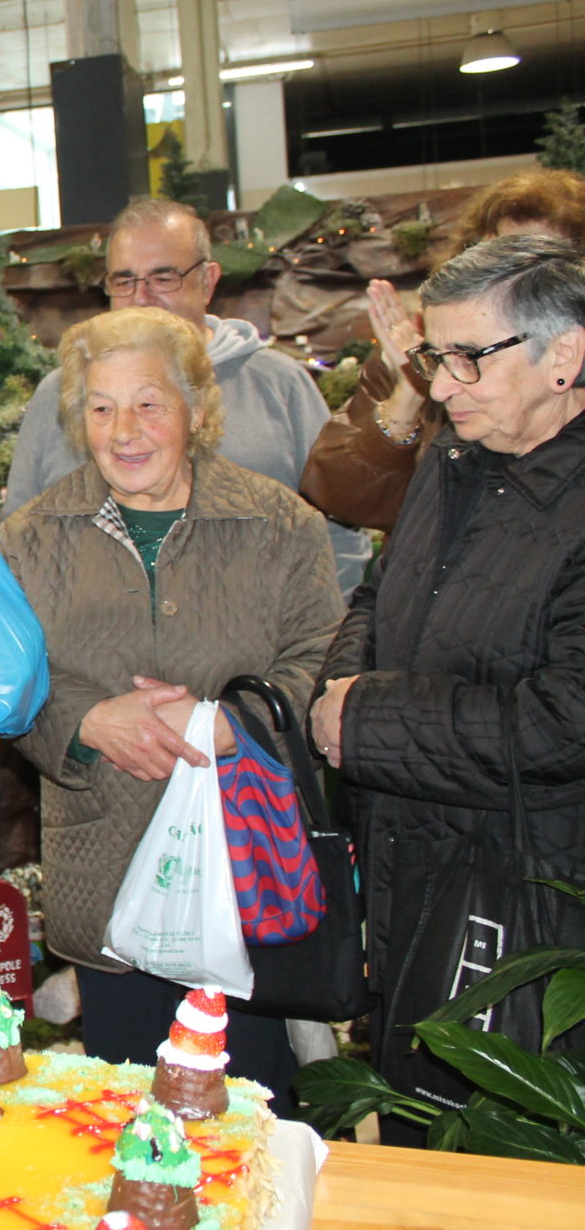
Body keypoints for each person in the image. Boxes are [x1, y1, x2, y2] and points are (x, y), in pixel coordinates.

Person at [0, 307, 343, 1111]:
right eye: (101, 406)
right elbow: (5, 684)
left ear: (197, 406)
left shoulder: (280, 523)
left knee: (252, 1113)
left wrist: (235, 723)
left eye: (149, 403)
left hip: (246, 877)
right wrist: (84, 722)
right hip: (105, 876)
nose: (125, 430)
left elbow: (322, 657)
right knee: (132, 1124)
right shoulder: (31, 536)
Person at [310, 237, 585, 1133]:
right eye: (436, 356)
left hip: (530, 917)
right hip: (410, 869)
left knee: (492, 1171)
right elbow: (382, 591)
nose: (443, 382)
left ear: (564, 357)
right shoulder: (453, 455)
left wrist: (369, 718)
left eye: (470, 357)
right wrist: (341, 684)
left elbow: (561, 722)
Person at [3, 198, 371, 595]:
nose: (141, 297)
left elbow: (339, 532)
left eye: (163, 279)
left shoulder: (280, 385)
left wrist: (320, 642)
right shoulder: (59, 393)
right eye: (125, 281)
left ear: (208, 281)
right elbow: (20, 540)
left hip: (260, 646)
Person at [300, 168, 585, 531]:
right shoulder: (420, 348)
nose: (513, 278)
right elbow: (341, 497)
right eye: (501, 253)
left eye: (539, 263)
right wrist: (411, 387)